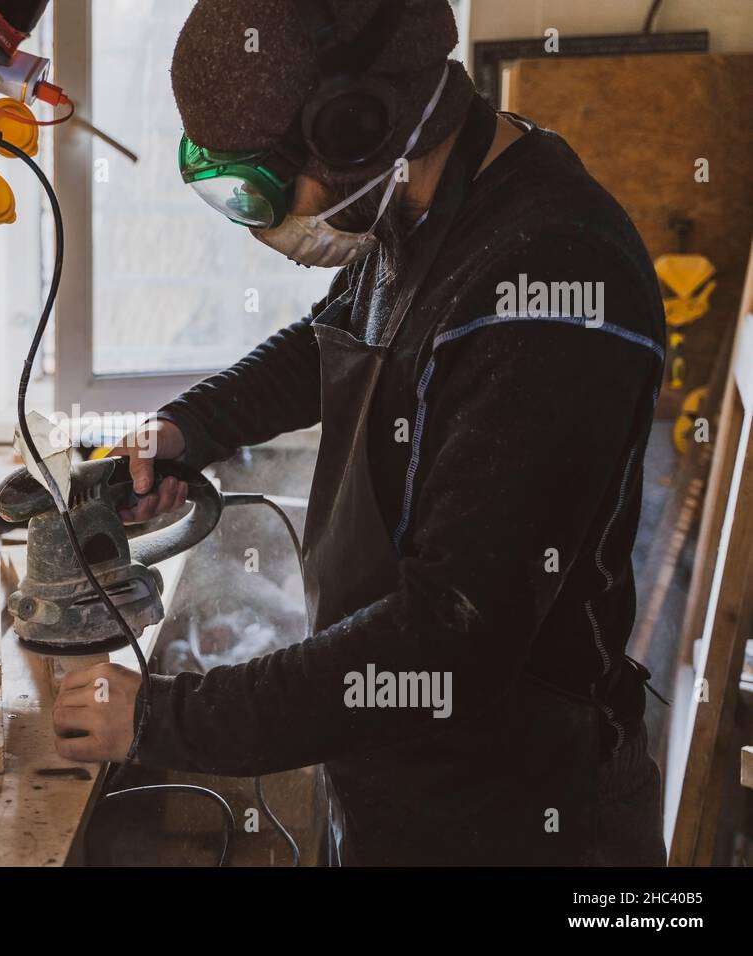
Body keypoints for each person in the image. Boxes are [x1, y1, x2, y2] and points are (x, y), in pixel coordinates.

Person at [50, 0, 668, 865]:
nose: (260, 226)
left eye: (257, 191)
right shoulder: (418, 206)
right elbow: (330, 340)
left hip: (517, 816)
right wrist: (187, 427)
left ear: (354, 128)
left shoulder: (552, 281)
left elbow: (450, 639)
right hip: (402, 769)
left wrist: (162, 718)